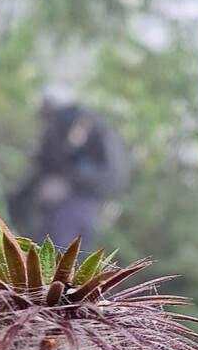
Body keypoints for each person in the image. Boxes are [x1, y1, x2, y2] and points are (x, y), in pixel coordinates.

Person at [8, 94, 131, 251]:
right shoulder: (63, 129)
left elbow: (112, 178)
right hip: (63, 206)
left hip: (79, 204)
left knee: (59, 251)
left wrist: (67, 185)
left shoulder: (94, 133)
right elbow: (46, 164)